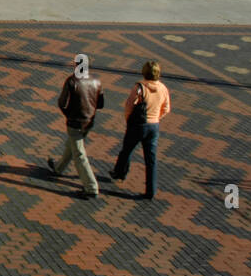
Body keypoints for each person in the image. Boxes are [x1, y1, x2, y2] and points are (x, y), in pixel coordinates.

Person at [110, 60, 171, 199]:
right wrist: (157, 117)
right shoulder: (163, 88)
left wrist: (128, 120)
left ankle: (119, 173)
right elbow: (167, 108)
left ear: (144, 72)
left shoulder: (140, 87)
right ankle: (151, 191)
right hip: (154, 126)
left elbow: (129, 106)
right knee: (151, 160)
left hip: (138, 125)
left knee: (127, 150)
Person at [47, 57, 104, 199]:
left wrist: (68, 115)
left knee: (79, 154)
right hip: (89, 122)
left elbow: (62, 103)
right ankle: (58, 167)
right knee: (73, 144)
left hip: (75, 123)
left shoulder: (72, 81)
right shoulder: (96, 82)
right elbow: (101, 104)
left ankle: (91, 187)